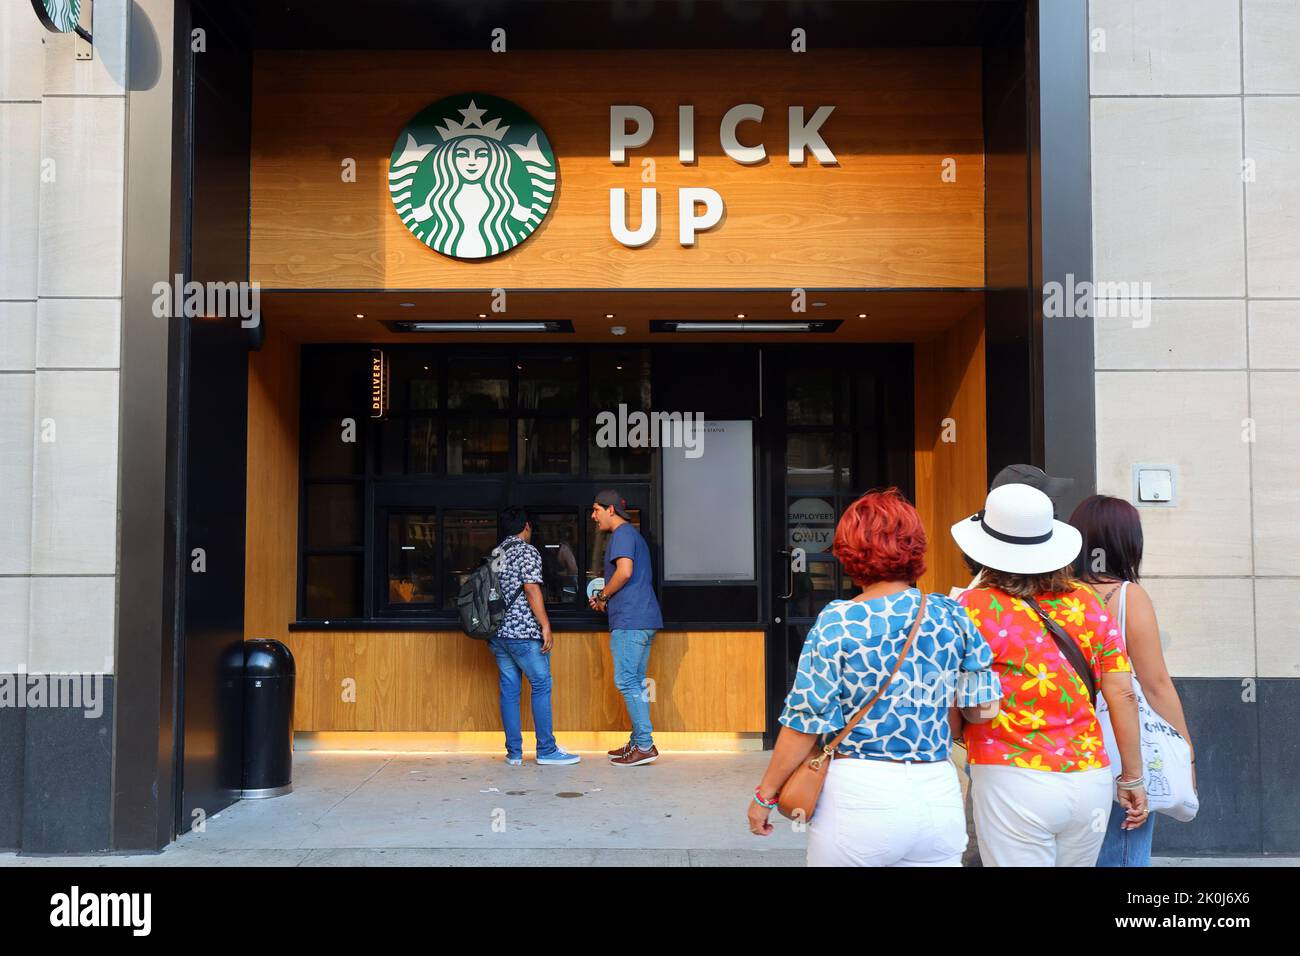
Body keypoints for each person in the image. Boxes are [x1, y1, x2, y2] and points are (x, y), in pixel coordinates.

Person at [747, 489, 1002, 866]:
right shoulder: (951, 614)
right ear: (915, 547)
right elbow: (983, 710)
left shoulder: (839, 620)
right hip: (937, 794)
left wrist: (765, 795)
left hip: (859, 797)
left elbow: (805, 722)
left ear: (849, 550)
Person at [951, 483, 1147, 866]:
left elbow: (956, 697)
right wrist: (1133, 777)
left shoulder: (970, 607)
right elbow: (1122, 693)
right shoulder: (1086, 601)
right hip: (1089, 775)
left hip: (1009, 774)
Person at [952, 463, 1075, 866]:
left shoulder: (968, 605)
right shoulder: (1080, 600)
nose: (1055, 507)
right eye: (1046, 499)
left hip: (998, 760)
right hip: (1069, 767)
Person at [1070, 494, 1195, 867]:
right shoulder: (1128, 598)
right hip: (1119, 748)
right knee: (1122, 852)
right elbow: (1155, 684)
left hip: (1063, 748)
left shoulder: (1054, 595)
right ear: (1128, 542)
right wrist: (1186, 751)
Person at [488, 506, 580, 766]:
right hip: (523, 633)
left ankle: (514, 753)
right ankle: (547, 750)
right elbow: (531, 589)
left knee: (509, 691)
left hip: (498, 634)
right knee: (541, 684)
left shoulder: (497, 553)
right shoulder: (527, 551)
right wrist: (545, 625)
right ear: (526, 526)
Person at [590, 490, 664, 766]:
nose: (593, 516)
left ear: (611, 510)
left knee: (627, 681)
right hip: (643, 618)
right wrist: (605, 598)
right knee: (635, 681)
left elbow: (625, 572)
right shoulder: (633, 535)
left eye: (596, 510)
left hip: (631, 621)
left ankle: (644, 745)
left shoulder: (621, 535)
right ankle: (637, 741)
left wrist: (603, 596)